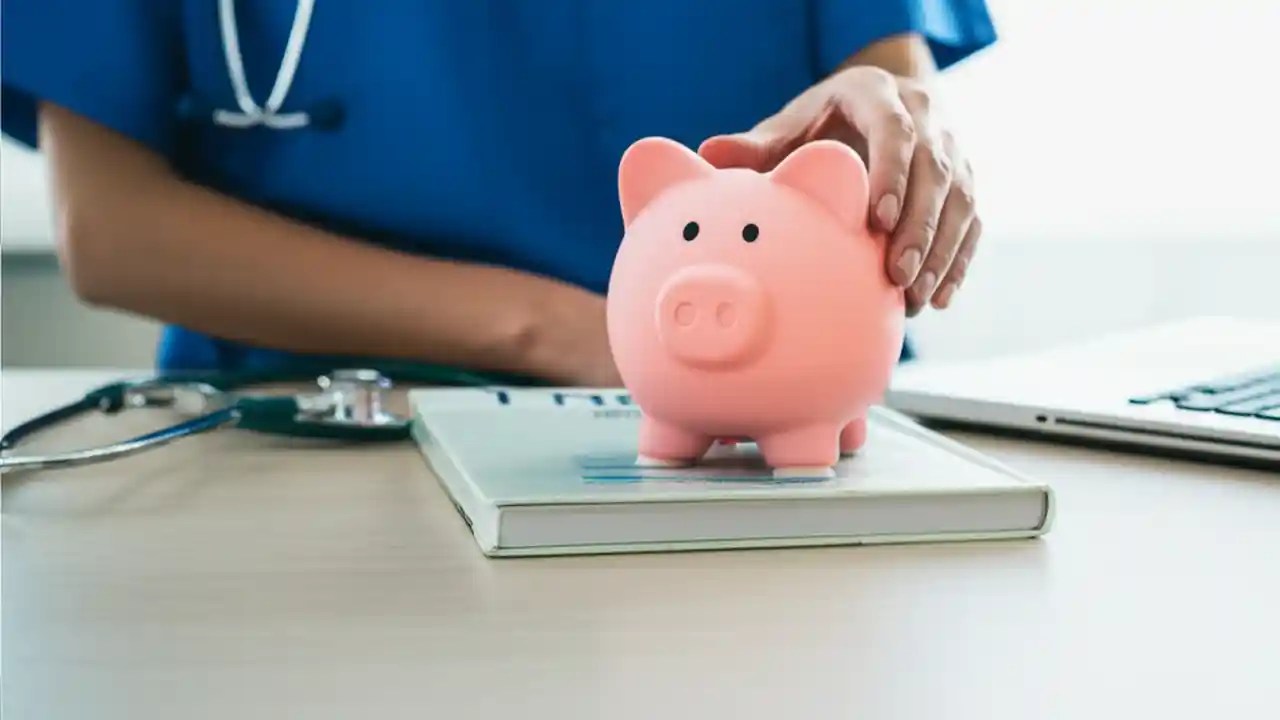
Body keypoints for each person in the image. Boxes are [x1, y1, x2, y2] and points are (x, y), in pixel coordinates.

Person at [2, 1, 991, 386]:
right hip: (303, 429)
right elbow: (113, 228)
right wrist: (561, 333)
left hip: (752, 438)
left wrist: (889, 123)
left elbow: (876, 105)